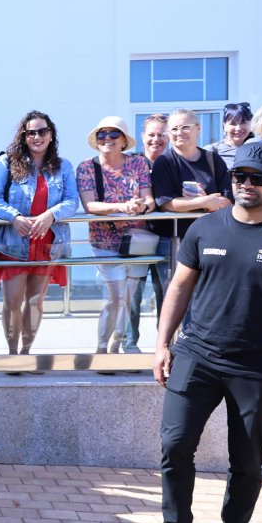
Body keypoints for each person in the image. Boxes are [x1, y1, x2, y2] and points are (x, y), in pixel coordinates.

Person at [138, 141, 262, 523]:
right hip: (197, 355)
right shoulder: (205, 228)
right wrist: (161, 345)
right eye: (239, 177)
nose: (246, 185)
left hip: (259, 368)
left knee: (247, 458)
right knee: (175, 445)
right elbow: (178, 289)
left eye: (257, 178)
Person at [0, 111, 79, 355]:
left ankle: (26, 355)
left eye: (42, 131)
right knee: (12, 302)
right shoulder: (7, 162)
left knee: (36, 302)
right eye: (31, 132)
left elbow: (72, 201)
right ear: (24, 136)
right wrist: (13, 216)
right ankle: (12, 354)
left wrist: (51, 215)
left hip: (46, 243)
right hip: (14, 242)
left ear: (51, 134)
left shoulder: (63, 166)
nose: (37, 136)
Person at [76, 117, 156, 353]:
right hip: (104, 241)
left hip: (138, 239)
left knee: (129, 297)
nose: (107, 139)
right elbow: (90, 206)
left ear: (124, 141)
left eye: (114, 134)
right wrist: (123, 207)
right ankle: (101, 349)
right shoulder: (87, 167)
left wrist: (141, 206)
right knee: (116, 296)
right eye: (102, 134)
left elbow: (149, 198)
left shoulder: (139, 164)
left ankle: (115, 348)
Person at [125, 114, 171, 353]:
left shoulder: (176, 162)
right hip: (137, 234)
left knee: (167, 293)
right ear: (142, 137)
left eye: (162, 134)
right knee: (133, 292)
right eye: (151, 134)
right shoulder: (131, 162)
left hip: (167, 237)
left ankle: (165, 346)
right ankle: (129, 344)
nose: (156, 139)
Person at [150, 109, 231, 240]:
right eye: (174, 129)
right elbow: (166, 204)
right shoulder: (164, 162)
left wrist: (211, 203)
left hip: (212, 236)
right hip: (176, 240)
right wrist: (204, 201)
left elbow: (228, 199)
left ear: (198, 128)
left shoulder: (213, 159)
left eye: (185, 127)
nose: (179, 133)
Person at [205, 102, 254, 169]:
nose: (238, 128)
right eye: (233, 123)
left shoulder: (258, 150)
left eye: (243, 122)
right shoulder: (212, 151)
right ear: (224, 126)